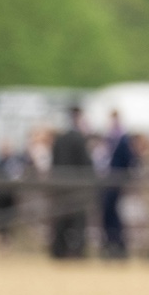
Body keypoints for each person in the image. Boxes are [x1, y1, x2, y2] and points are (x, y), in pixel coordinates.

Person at [48, 107, 92, 259]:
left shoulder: (59, 139)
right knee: (78, 218)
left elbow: (54, 162)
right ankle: (77, 250)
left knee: (60, 218)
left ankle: (58, 250)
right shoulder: (79, 138)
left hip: (60, 184)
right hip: (77, 185)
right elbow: (86, 164)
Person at [98, 110, 136, 258]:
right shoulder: (112, 137)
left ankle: (117, 244)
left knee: (113, 213)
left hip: (115, 181)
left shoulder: (122, 138)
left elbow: (127, 161)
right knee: (109, 213)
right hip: (110, 180)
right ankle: (112, 243)